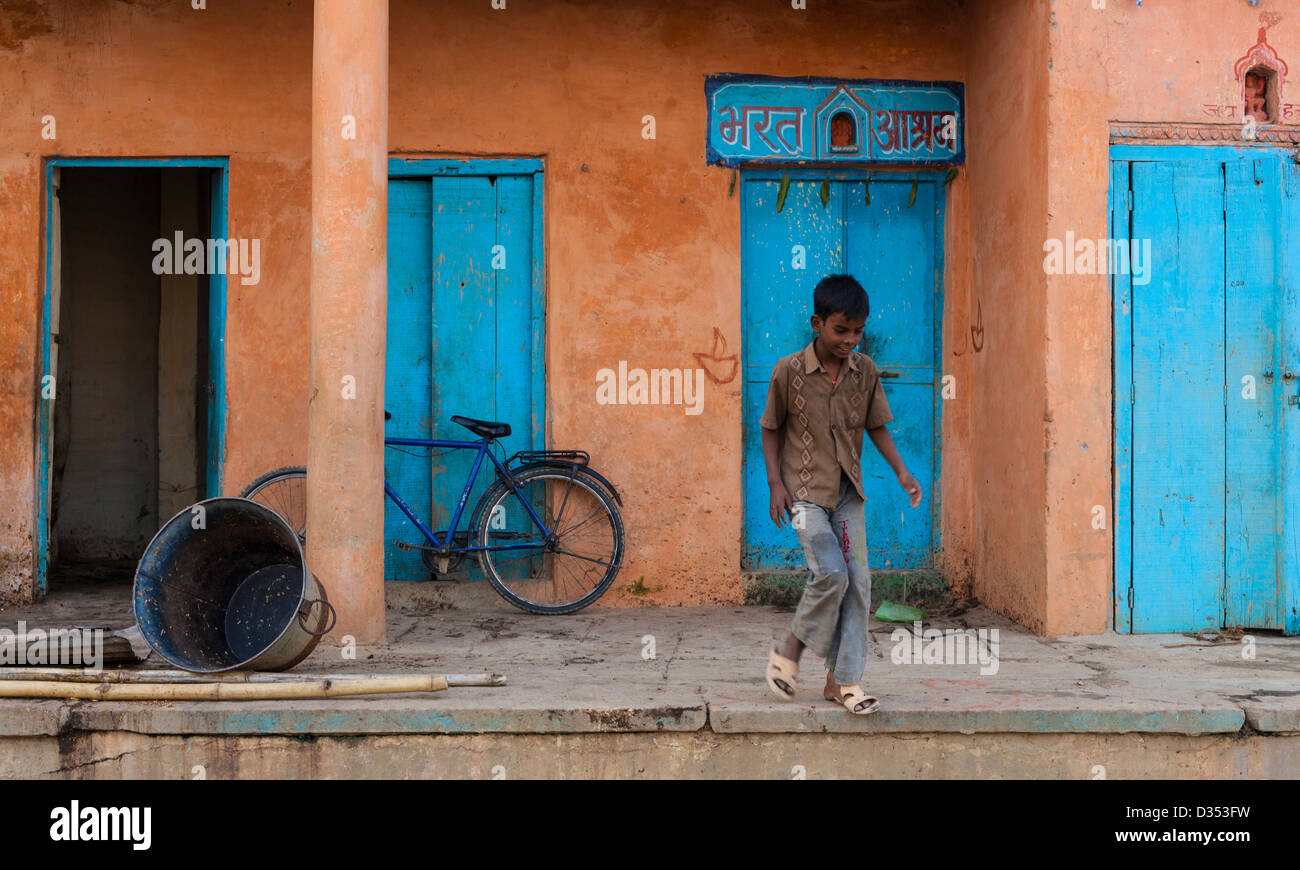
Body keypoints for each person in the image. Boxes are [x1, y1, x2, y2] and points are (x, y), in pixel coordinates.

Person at [760, 273, 922, 714]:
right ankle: (791, 648)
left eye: (858, 331)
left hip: (848, 494)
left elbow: (876, 426)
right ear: (817, 323)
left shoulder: (864, 371)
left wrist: (903, 473)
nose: (850, 339)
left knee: (858, 583)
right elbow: (770, 428)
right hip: (804, 495)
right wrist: (775, 483)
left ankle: (843, 681)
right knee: (830, 573)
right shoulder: (788, 371)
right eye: (840, 330)